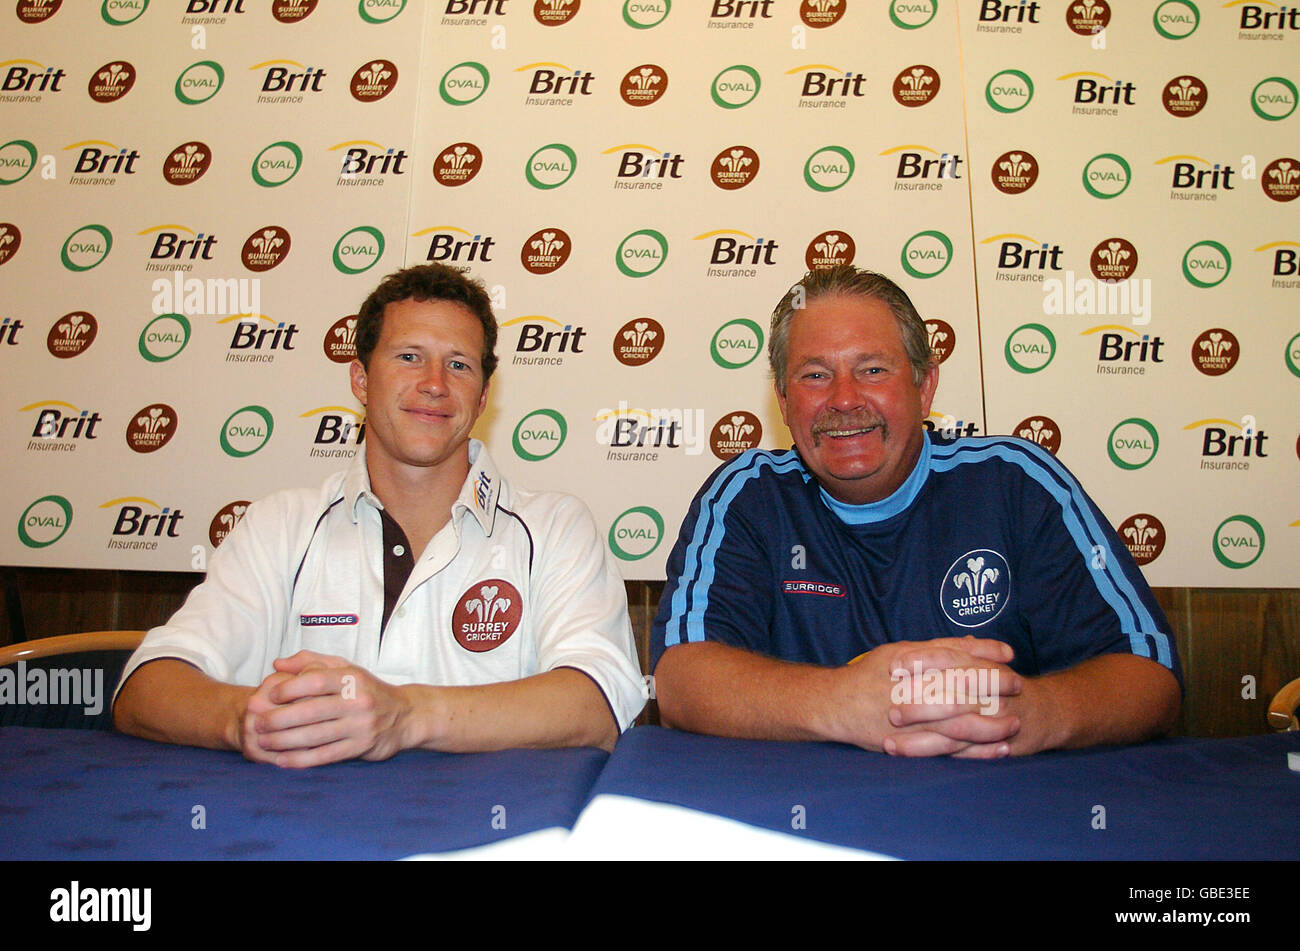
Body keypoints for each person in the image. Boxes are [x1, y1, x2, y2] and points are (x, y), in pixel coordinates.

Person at [114, 264, 646, 766]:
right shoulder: (280, 525)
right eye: (409, 356)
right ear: (361, 380)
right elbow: (146, 689)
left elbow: (596, 706)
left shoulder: (556, 528)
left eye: (459, 364)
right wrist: (242, 721)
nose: (435, 382)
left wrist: (407, 716)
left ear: (483, 396)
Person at [650, 265, 1181, 758]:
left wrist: (1029, 715)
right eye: (815, 376)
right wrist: (845, 703)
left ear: (924, 387)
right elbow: (680, 682)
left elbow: (1150, 677)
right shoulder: (746, 497)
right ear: (784, 402)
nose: (844, 399)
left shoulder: (1016, 482)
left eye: (873, 369)